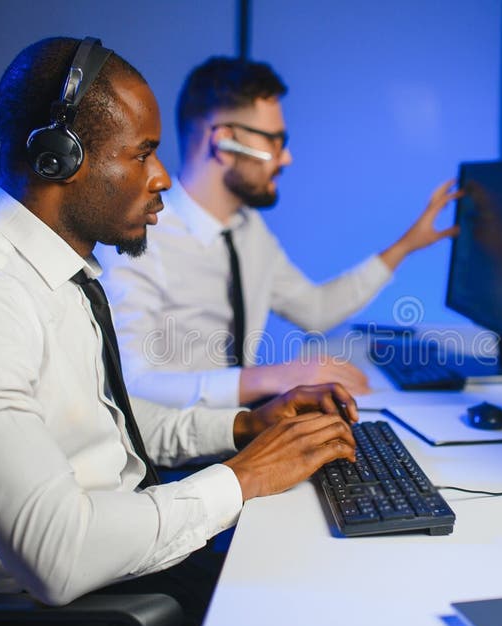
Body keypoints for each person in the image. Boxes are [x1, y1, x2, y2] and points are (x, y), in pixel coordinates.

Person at [0, 37, 356, 626]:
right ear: (59, 159)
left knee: (334, 581)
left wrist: (242, 426)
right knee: (326, 622)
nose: (163, 177)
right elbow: (58, 553)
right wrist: (244, 477)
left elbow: (106, 422)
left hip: (124, 567)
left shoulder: (52, 277)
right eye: (142, 153)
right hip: (61, 624)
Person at [93, 56, 461, 409]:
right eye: (274, 140)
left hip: (243, 428)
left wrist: (407, 245)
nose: (286, 158)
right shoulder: (137, 239)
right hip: (177, 448)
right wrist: (273, 377)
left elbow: (316, 310)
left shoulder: (247, 229)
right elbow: (130, 383)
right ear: (223, 142)